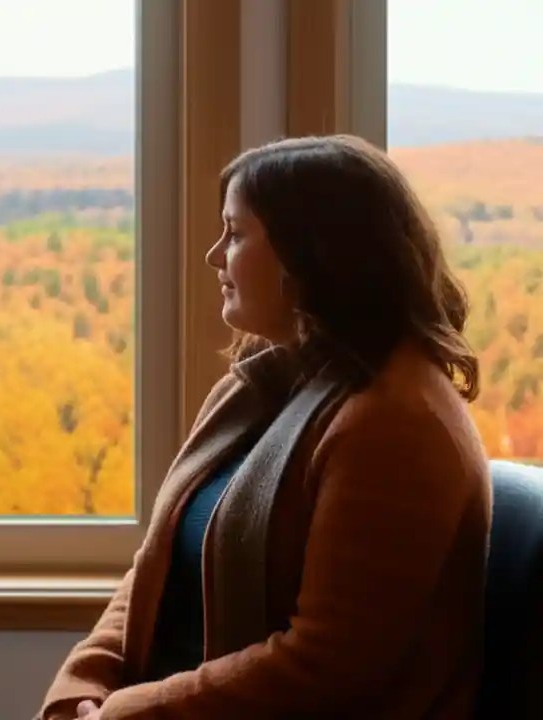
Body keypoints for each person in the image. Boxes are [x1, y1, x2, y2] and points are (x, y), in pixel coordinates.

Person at [35, 134, 492, 719]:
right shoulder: (261, 388)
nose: (214, 256)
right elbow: (157, 567)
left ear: (311, 252)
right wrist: (81, 689)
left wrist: (128, 712)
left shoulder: (396, 423)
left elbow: (327, 665)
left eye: (236, 233)